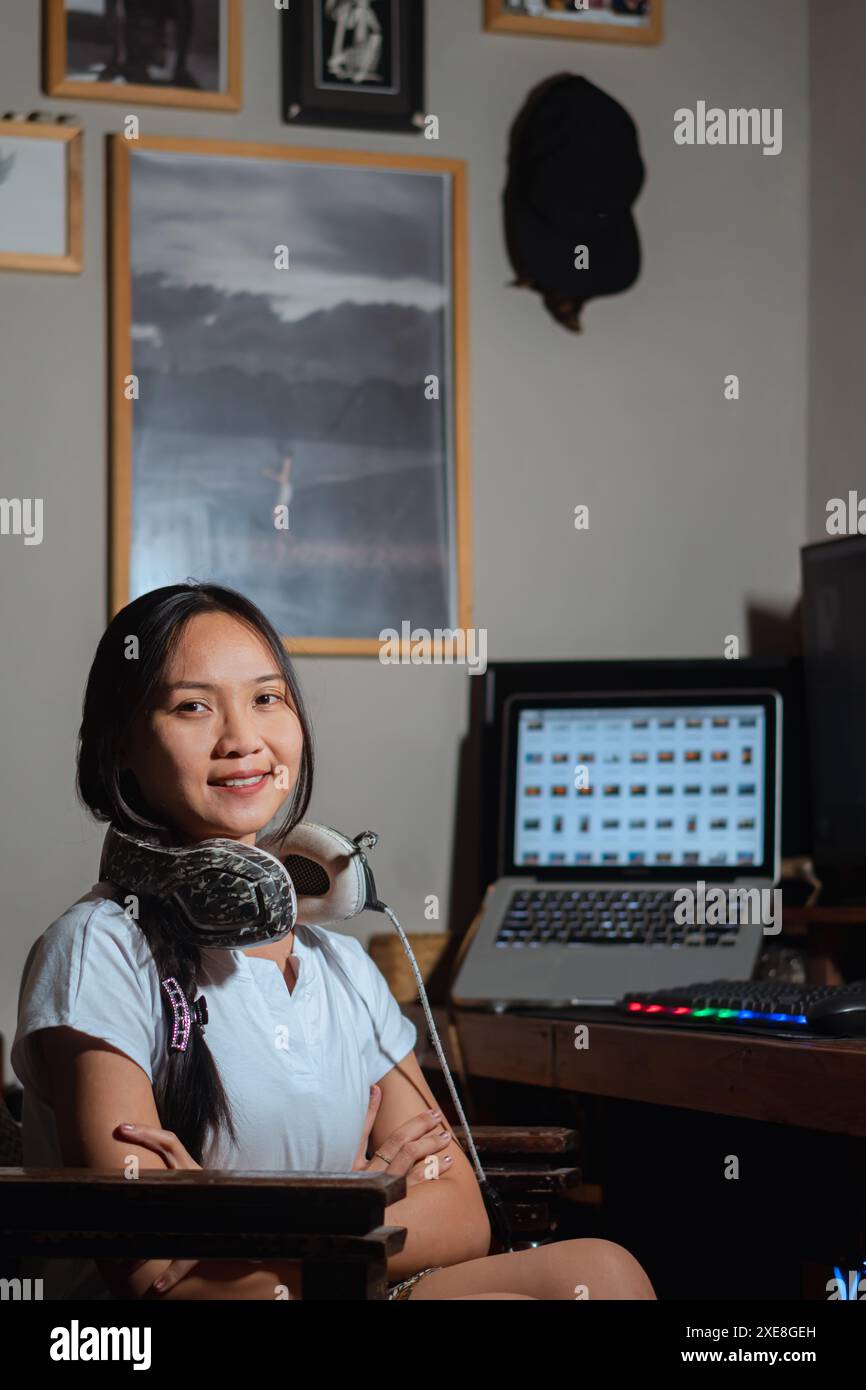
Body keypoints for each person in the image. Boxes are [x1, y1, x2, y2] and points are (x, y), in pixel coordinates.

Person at [11, 581, 657, 1301]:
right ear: (122, 744)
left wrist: (258, 1234)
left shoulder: (341, 967)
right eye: (193, 706)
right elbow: (152, 1272)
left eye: (267, 698)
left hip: (328, 1288)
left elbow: (462, 1216)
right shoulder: (97, 950)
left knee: (601, 1274)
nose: (243, 739)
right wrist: (361, 1198)